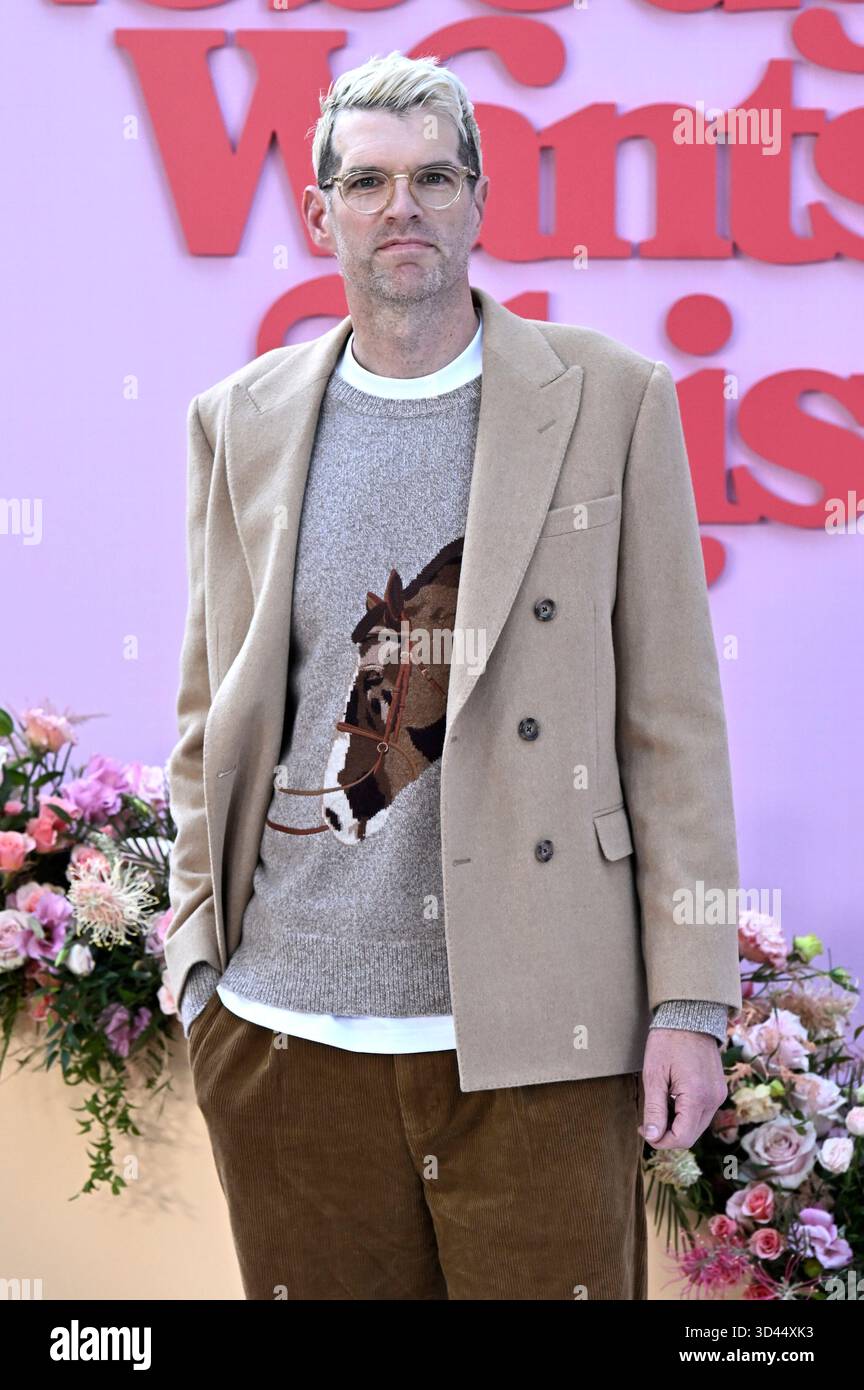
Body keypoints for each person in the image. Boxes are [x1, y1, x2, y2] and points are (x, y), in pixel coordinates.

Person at [164, 50, 742, 1300]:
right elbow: (214, 708)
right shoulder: (242, 418)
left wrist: (692, 1000)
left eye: (434, 176)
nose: (401, 208)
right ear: (319, 215)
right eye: (365, 182)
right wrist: (198, 959)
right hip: (288, 1034)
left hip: (543, 1033)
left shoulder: (611, 400)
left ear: (481, 200)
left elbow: (677, 726)